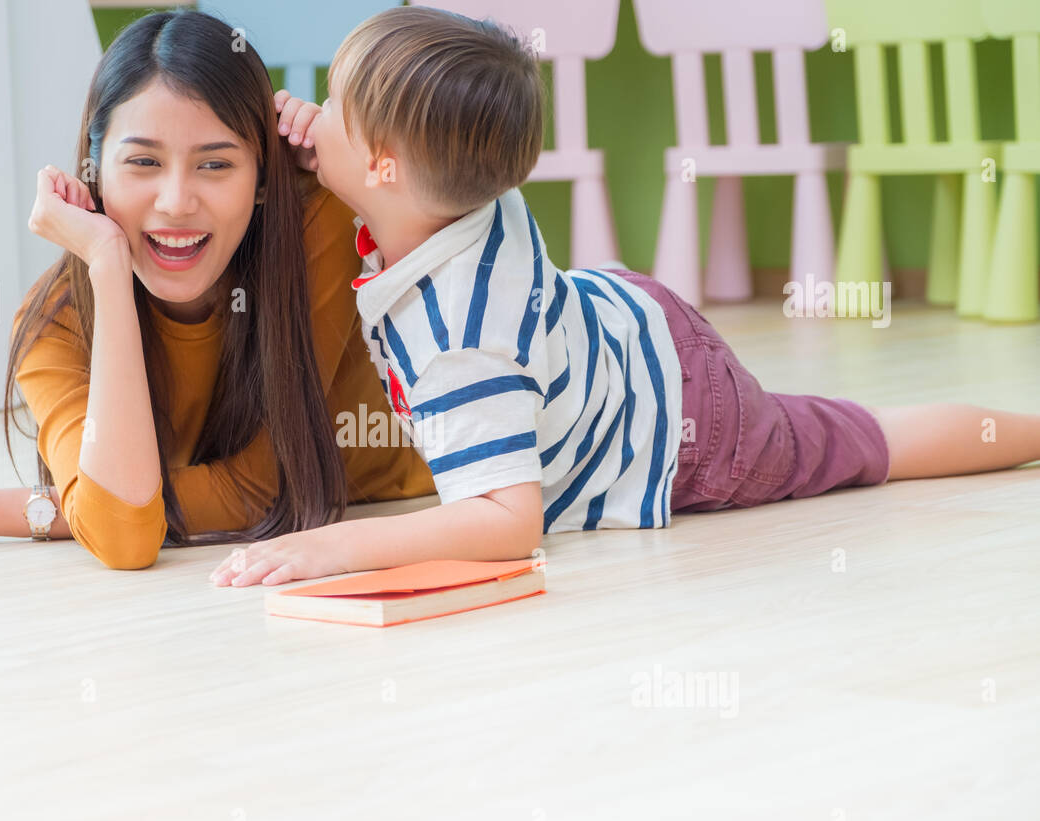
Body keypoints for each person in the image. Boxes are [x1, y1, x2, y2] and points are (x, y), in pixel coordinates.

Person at [211, 5, 1040, 587]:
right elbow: (394, 152)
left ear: (386, 166)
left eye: (336, 107)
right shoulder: (459, 181)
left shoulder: (460, 340)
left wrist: (341, 548)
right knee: (850, 424)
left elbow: (508, 524)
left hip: (686, 421)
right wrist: (326, 140)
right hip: (627, 331)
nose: (312, 114)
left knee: (864, 442)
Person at [0, 9, 434, 569]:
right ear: (94, 170)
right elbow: (125, 536)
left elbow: (268, 488)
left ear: (262, 176)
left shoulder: (311, 225)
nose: (177, 202)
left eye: (216, 163)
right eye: (143, 162)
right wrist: (106, 263)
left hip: (457, 493)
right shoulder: (53, 324)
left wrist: (1, 509)